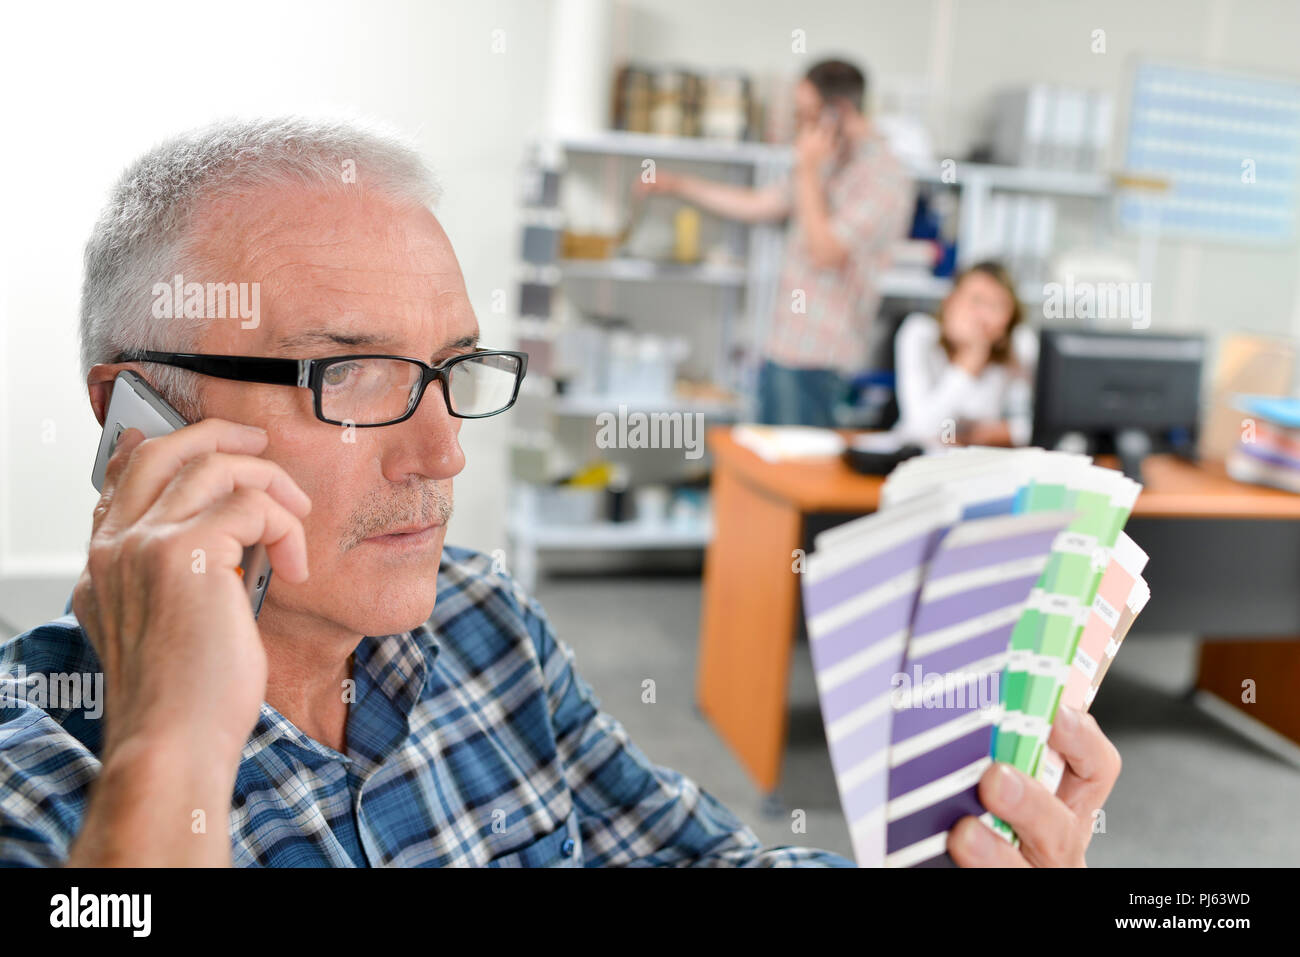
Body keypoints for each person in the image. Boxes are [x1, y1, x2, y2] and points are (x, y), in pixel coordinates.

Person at [0, 118, 1118, 867]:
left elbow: (701, 859)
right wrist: (171, 747)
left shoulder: (482, 621)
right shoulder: (38, 776)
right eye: (348, 373)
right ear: (138, 417)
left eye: (453, 370)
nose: (442, 456)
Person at [639, 59, 915, 428]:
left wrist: (806, 170)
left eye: (806, 114)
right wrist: (677, 185)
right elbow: (761, 204)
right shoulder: (829, 162)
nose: (799, 126)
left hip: (820, 358)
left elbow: (826, 251)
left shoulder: (883, 176)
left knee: (798, 478)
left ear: (840, 111)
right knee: (767, 469)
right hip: (782, 347)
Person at [893, 260, 1038, 448]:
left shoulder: (1019, 346)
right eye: (976, 301)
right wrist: (970, 360)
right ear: (950, 302)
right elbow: (919, 430)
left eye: (996, 305)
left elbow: (1052, 423)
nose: (982, 316)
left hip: (984, 461)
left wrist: (1009, 432)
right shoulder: (919, 333)